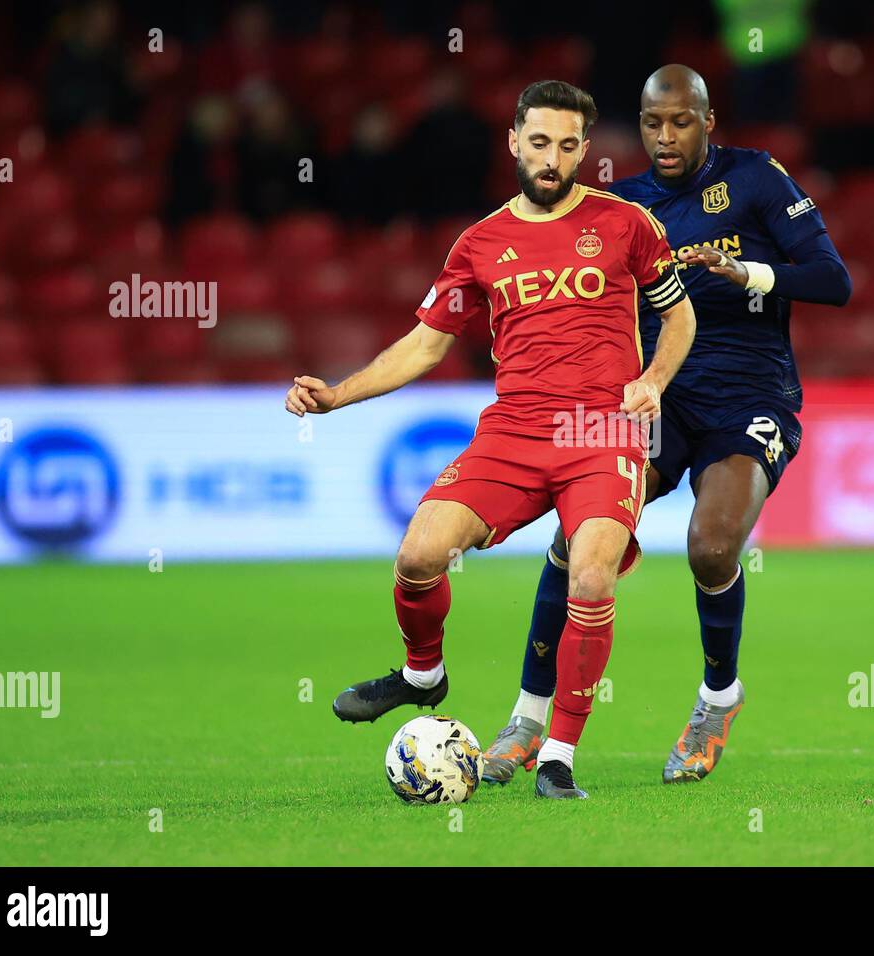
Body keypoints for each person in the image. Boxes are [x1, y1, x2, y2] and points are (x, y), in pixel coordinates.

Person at [284, 80, 696, 800]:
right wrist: (337, 395)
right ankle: (422, 675)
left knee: (591, 576)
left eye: (568, 146)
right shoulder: (480, 243)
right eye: (539, 142)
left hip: (601, 431)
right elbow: (423, 347)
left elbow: (682, 317)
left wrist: (654, 379)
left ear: (582, 151)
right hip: (513, 430)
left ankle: (559, 754)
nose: (552, 158)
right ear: (513, 141)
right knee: (417, 556)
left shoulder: (627, 223)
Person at [482, 65, 850, 787]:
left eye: (681, 121)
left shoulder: (757, 181)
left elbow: (833, 279)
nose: (666, 137)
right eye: (653, 124)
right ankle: (528, 717)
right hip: (652, 401)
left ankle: (717, 700)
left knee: (711, 549)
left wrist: (750, 274)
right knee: (576, 537)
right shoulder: (621, 204)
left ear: (708, 120)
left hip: (749, 398)